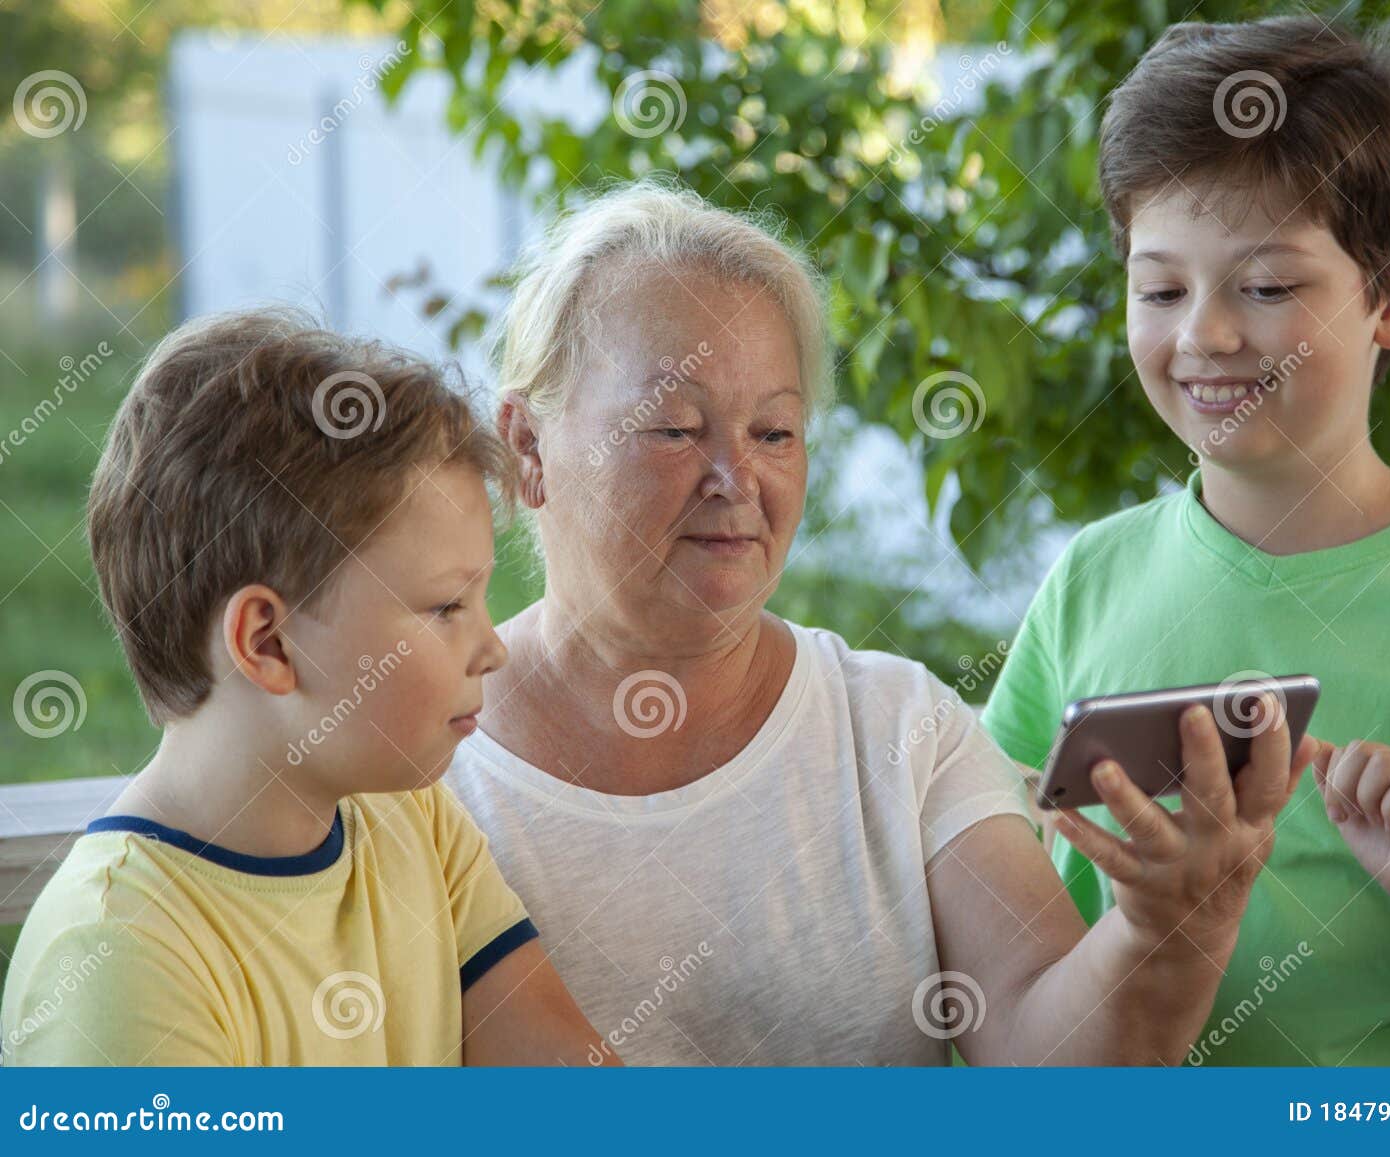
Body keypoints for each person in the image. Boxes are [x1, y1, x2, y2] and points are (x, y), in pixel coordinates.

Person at [444, 180, 1320, 1065]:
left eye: (775, 432)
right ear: (527, 447)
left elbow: (1050, 1069)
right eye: (674, 428)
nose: (737, 479)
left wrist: (1165, 932)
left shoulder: (900, 729)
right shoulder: (416, 762)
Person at [983, 16, 1390, 1065]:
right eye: (1160, 289)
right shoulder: (1092, 573)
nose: (1203, 335)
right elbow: (997, 891)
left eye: (1267, 287)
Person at [1, 310, 610, 1066]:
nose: (493, 648)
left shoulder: (412, 822)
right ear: (268, 642)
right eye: (446, 607)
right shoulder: (117, 961)